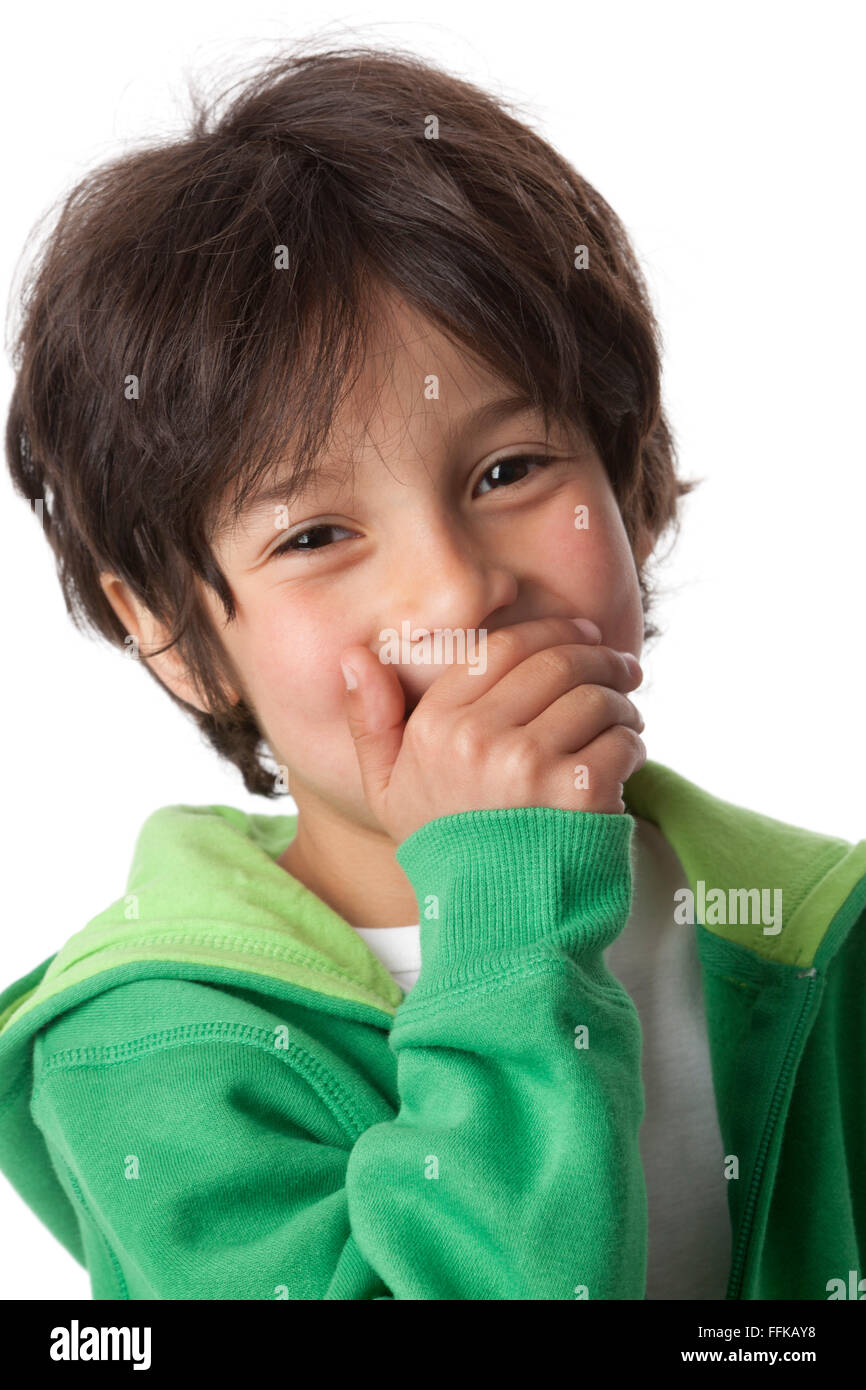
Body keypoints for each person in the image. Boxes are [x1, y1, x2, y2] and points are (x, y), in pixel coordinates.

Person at [1, 44, 863, 1300]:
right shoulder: (151, 1044)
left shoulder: (817, 936)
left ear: (629, 486)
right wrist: (504, 905)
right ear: (180, 640)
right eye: (314, 535)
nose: (456, 592)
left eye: (509, 471)